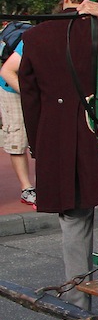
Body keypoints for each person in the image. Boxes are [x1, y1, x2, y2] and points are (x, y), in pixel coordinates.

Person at [15, 0, 98, 312]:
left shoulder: (36, 35)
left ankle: (77, 303)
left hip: (58, 135)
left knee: (74, 220)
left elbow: (29, 95)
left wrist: (37, 140)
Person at [0, 30, 35, 206]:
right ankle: (26, 188)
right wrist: (30, 96)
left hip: (34, 89)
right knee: (17, 136)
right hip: (12, 87)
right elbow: (7, 71)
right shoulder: (33, 41)